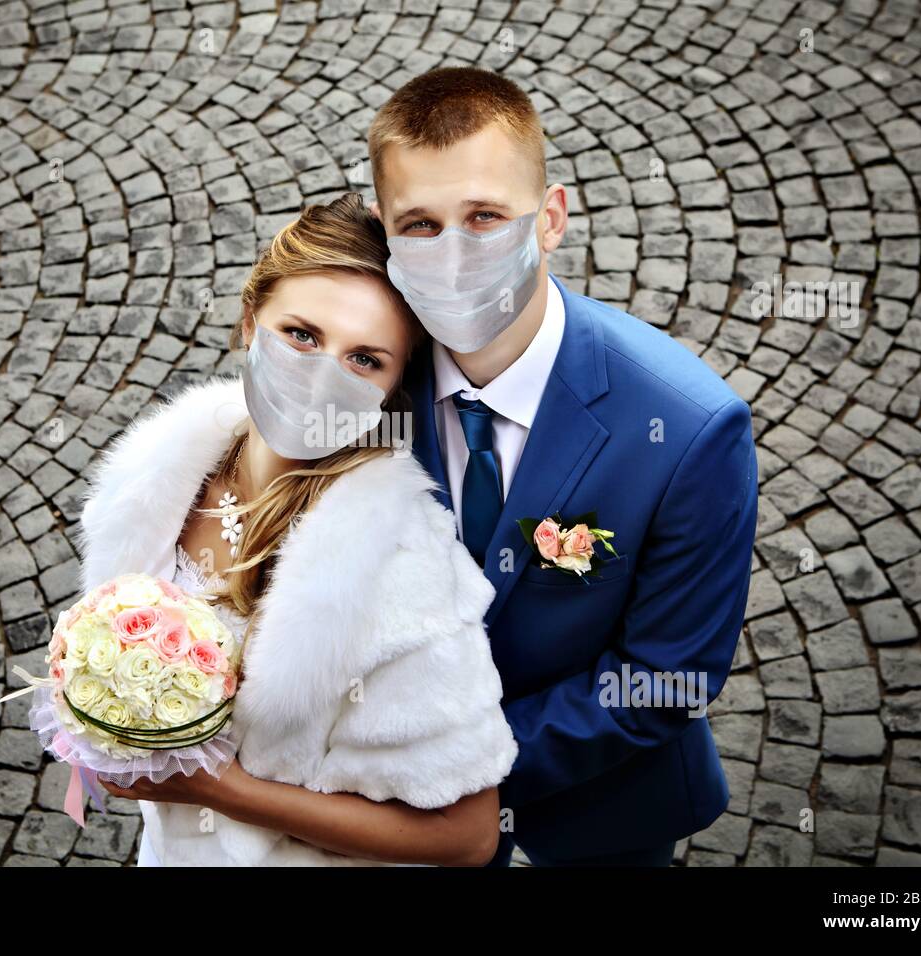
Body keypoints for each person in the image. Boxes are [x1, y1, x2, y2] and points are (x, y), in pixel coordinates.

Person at [368, 67, 760, 866]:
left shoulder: (690, 429)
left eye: (484, 216)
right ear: (383, 232)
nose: (454, 254)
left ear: (550, 219)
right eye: (420, 225)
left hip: (600, 814)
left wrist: (447, 778)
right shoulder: (362, 385)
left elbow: (666, 676)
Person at [76, 192, 518, 866]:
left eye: (365, 359)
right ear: (250, 322)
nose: (318, 380)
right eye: (302, 335)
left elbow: (467, 836)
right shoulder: (163, 477)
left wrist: (218, 789)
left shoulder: (398, 563)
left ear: (391, 387)